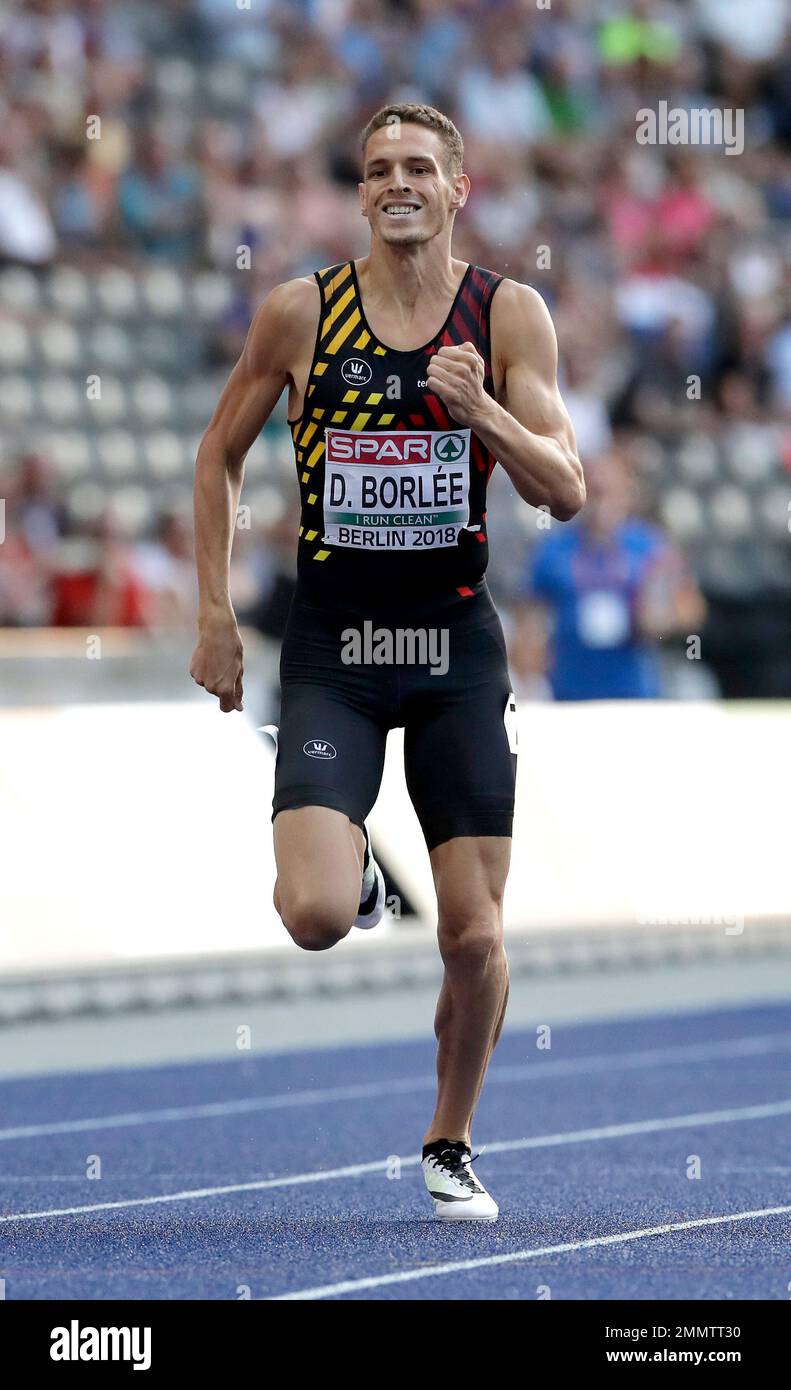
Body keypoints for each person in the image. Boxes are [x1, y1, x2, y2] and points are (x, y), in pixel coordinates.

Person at [190, 103, 584, 1220]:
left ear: (459, 188)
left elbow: (563, 487)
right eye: (377, 171)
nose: (396, 183)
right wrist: (216, 612)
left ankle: (449, 1139)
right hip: (337, 648)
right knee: (312, 910)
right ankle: (359, 870)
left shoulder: (506, 314)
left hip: (453, 648)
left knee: (472, 931)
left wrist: (482, 416)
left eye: (418, 167)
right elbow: (216, 455)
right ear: (359, 195)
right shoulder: (299, 312)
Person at [518, 451, 705, 700]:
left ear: (626, 495)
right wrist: (530, 674)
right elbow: (530, 623)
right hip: (569, 691)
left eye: (610, 493)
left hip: (635, 690)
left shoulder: (650, 547)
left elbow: (691, 609)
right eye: (594, 492)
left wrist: (661, 620)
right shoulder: (553, 550)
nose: (602, 503)